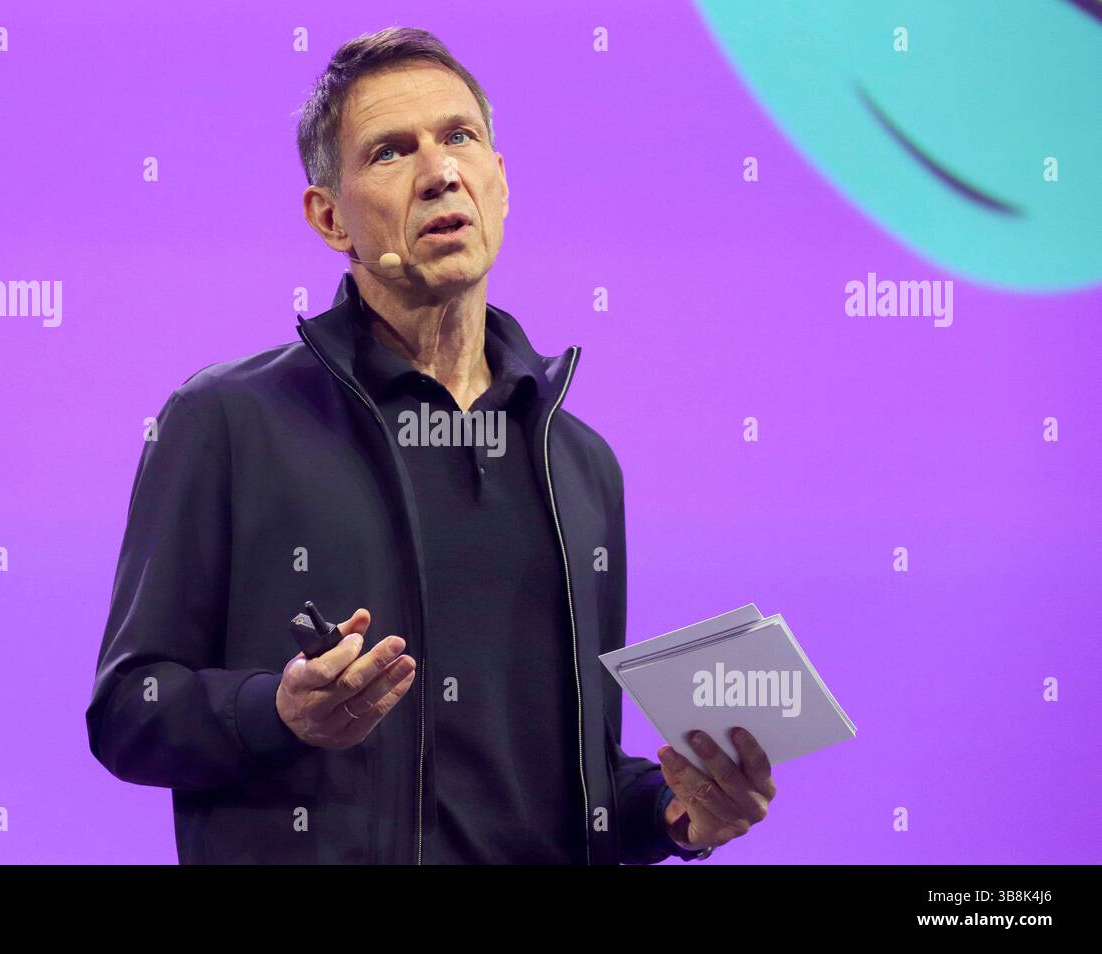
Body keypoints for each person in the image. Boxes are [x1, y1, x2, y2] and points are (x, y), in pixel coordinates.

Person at [84, 26, 775, 864]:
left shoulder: (579, 463)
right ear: (328, 216)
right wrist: (279, 710)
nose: (440, 171)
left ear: (501, 181)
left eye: (460, 137)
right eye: (389, 152)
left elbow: (573, 780)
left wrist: (673, 811)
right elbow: (128, 710)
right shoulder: (228, 421)